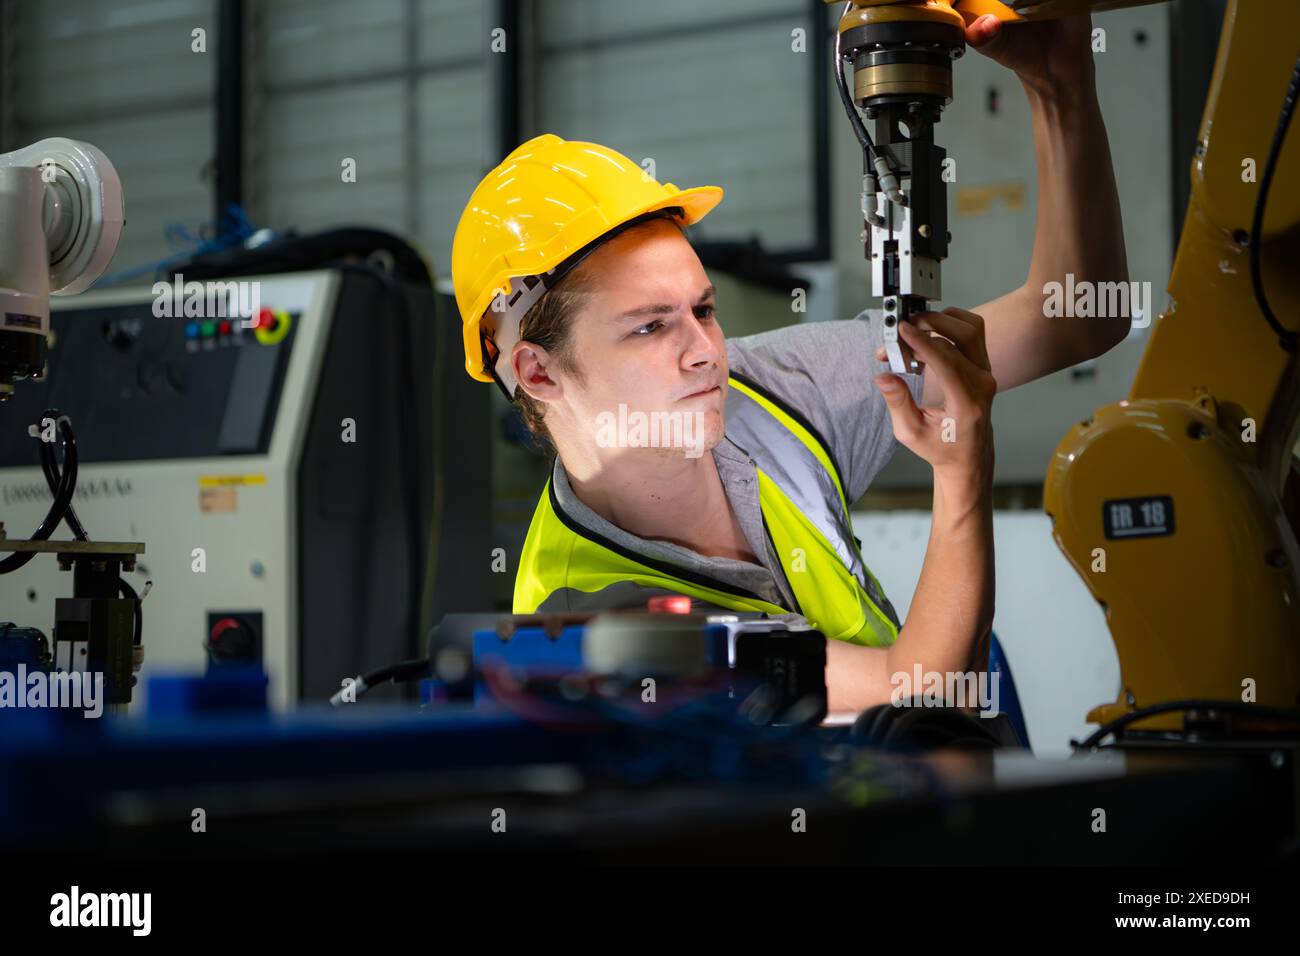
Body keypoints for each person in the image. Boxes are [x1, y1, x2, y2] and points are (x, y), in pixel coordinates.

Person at [450, 15, 1130, 711]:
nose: (705, 351)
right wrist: (963, 470)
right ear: (538, 374)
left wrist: (1060, 85)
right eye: (652, 327)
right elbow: (929, 697)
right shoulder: (588, 619)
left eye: (704, 310)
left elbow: (1077, 317)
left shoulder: (762, 388)